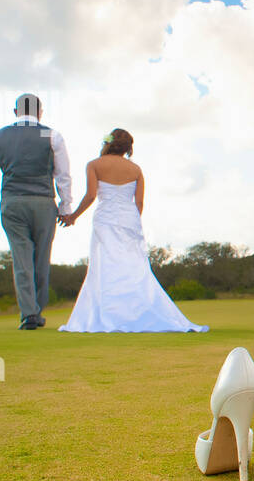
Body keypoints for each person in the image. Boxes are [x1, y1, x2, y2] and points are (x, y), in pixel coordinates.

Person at [59, 129, 208, 333]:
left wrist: (73, 216)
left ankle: (107, 314)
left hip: (105, 218)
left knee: (105, 266)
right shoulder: (136, 169)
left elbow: (91, 195)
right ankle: (135, 313)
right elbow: (139, 202)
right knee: (133, 267)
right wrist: (132, 221)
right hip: (130, 219)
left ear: (108, 143)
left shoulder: (94, 165)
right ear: (128, 147)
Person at [0, 93, 73, 330]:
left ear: (15, 112)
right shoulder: (50, 134)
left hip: (12, 202)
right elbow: (63, 175)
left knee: (21, 260)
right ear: (40, 112)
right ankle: (37, 310)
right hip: (43, 202)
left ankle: (29, 314)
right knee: (41, 259)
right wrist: (66, 206)